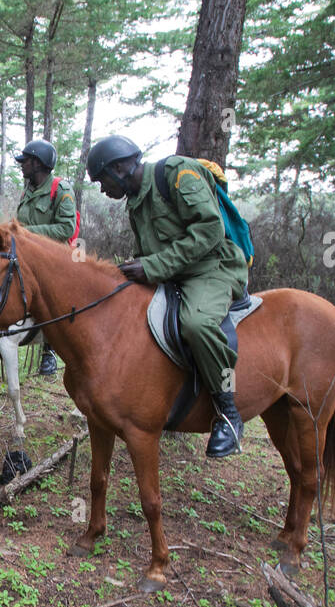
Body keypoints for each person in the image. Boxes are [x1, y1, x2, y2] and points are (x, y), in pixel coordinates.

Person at [85, 134, 248, 458]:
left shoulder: (177, 172)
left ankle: (228, 413)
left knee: (197, 323)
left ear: (119, 168)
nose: (104, 191)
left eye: (103, 181)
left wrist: (154, 265)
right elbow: (151, 251)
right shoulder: (136, 201)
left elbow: (209, 230)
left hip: (212, 268)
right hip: (174, 274)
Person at [13, 138, 79, 376]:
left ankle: (49, 351)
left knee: (54, 299)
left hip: (52, 258)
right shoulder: (28, 190)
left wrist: (28, 233)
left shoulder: (61, 190)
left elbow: (66, 229)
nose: (22, 165)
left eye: (25, 161)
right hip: (26, 255)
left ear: (38, 163)